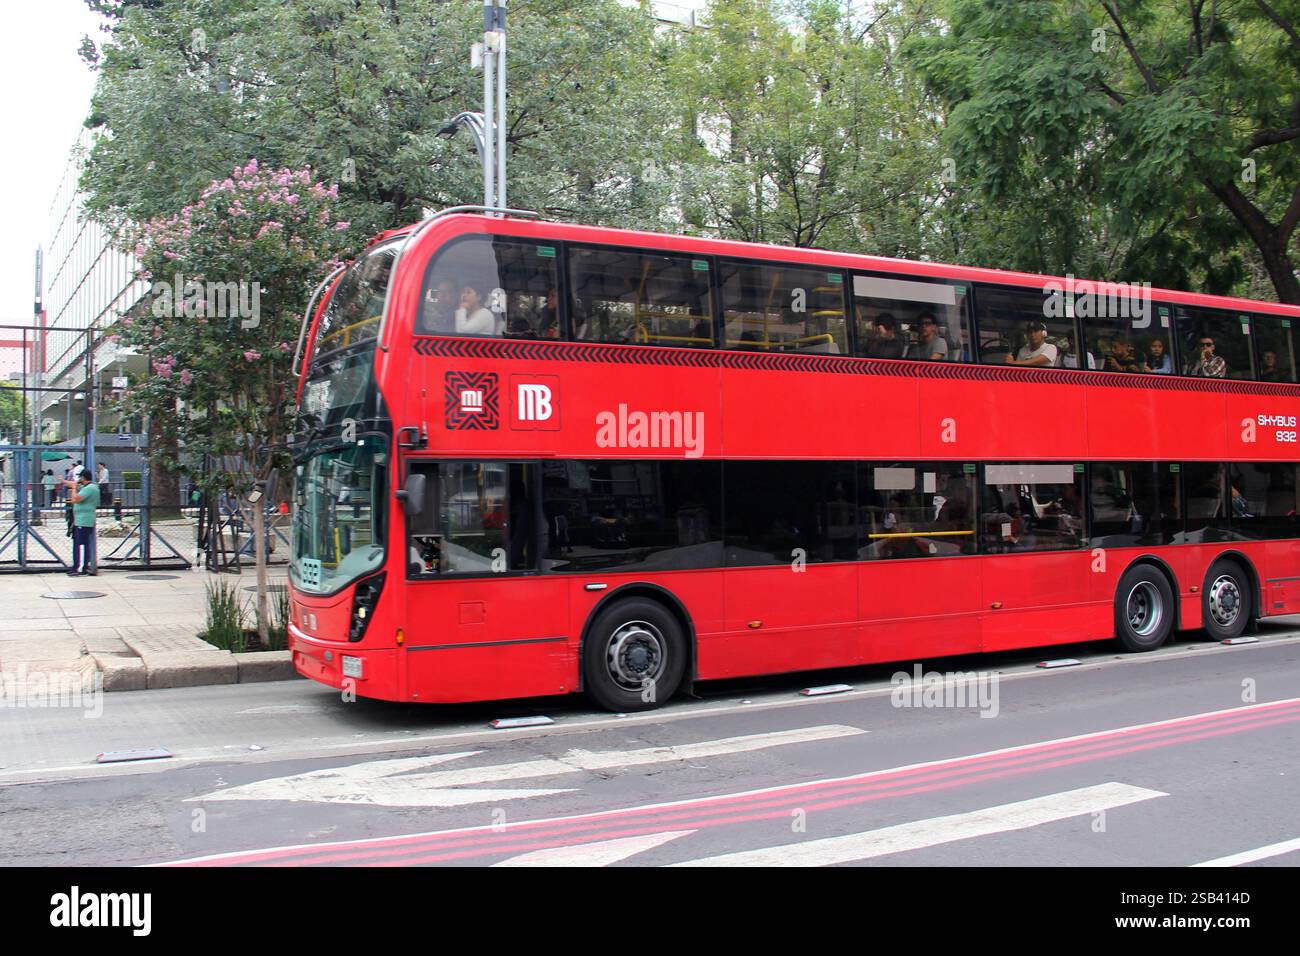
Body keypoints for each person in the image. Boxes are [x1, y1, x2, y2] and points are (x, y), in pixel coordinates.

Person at [64, 468, 100, 576]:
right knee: (80, 543)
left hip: (84, 521)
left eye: (80, 477)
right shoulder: (88, 487)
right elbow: (73, 484)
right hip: (81, 520)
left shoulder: (89, 488)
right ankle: (80, 566)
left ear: (83, 478)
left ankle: (81, 567)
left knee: (80, 544)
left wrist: (74, 488)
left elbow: (75, 499)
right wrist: (64, 481)